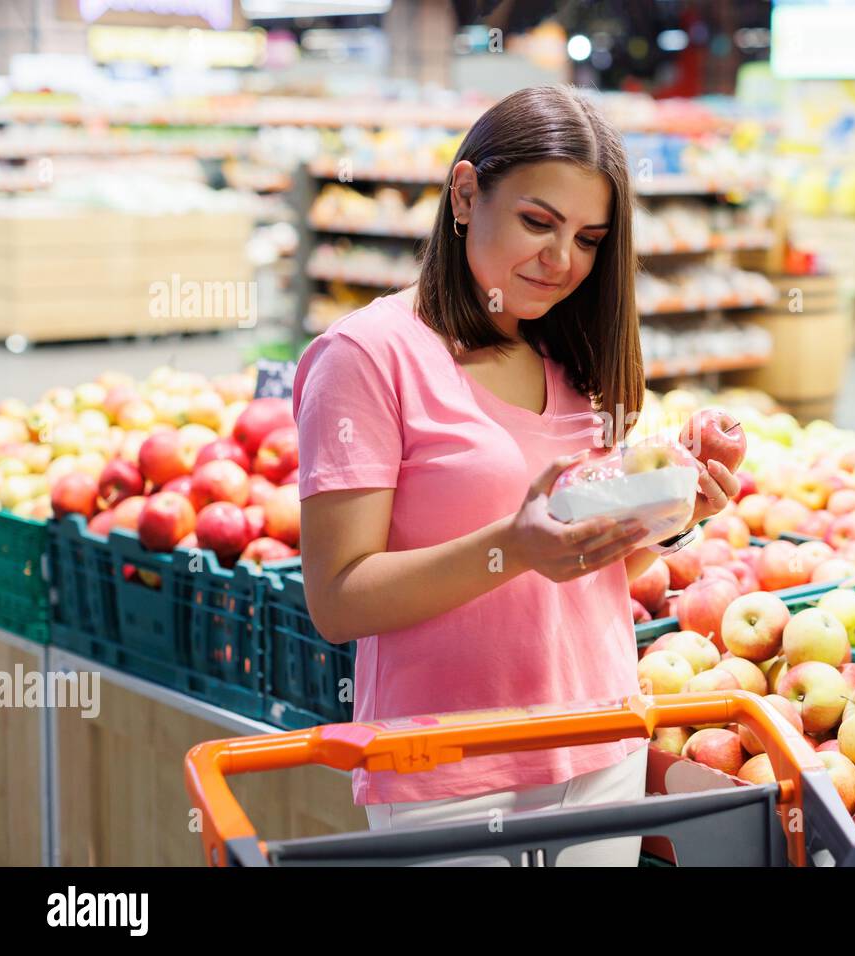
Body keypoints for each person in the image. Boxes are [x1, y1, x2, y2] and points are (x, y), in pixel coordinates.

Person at [293, 85, 739, 866]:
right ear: (466, 194)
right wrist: (511, 545)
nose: (562, 260)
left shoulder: (574, 354)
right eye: (538, 222)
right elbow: (337, 600)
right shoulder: (368, 357)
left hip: (600, 741)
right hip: (448, 763)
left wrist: (673, 511)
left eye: (590, 238)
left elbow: (585, 567)